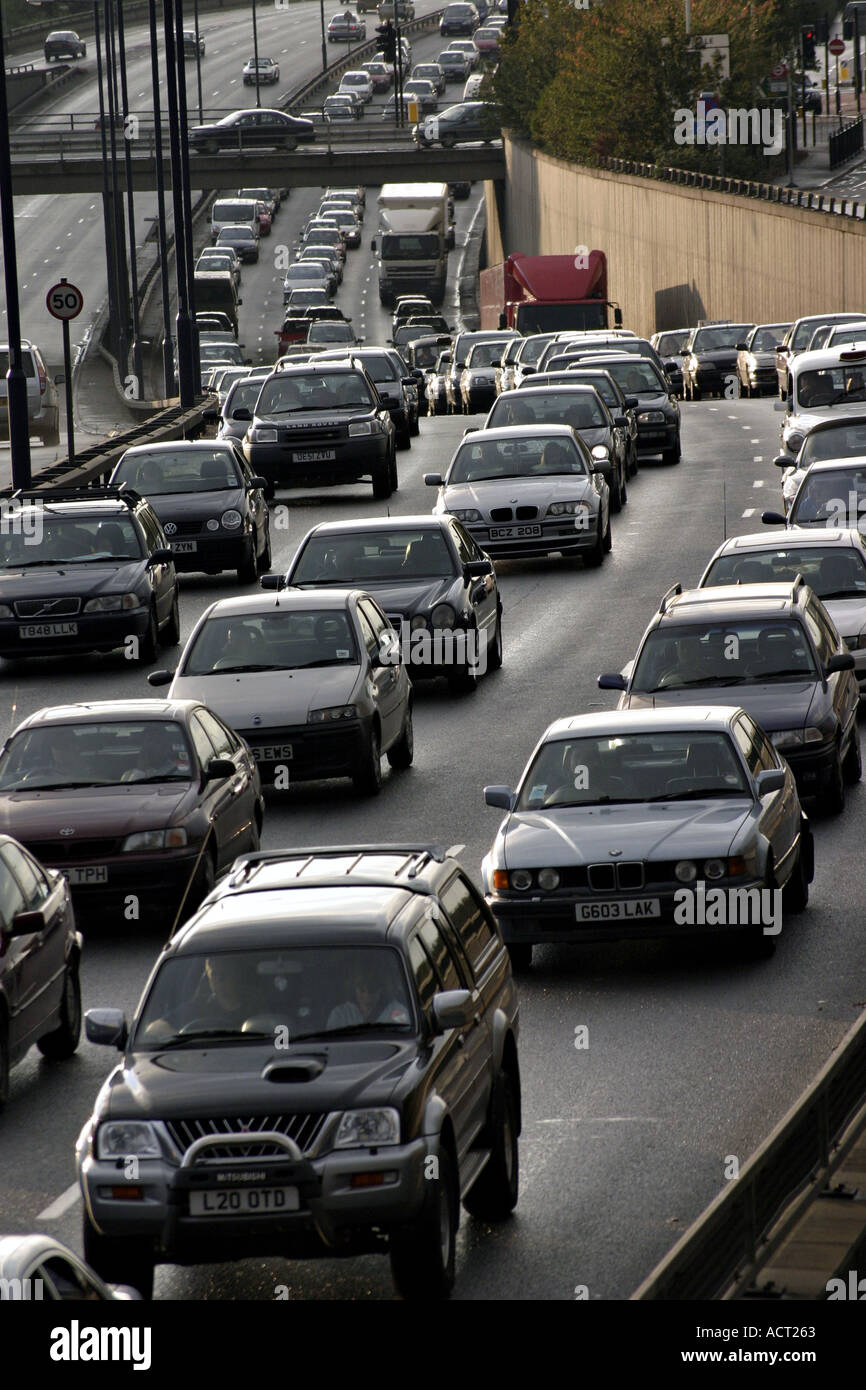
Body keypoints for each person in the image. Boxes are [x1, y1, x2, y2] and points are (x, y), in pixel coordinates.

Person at [327, 960, 410, 1030]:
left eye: (372, 989)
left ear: (380, 989)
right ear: (354, 988)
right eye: (361, 989)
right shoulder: (340, 1015)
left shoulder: (398, 1013)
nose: (367, 995)